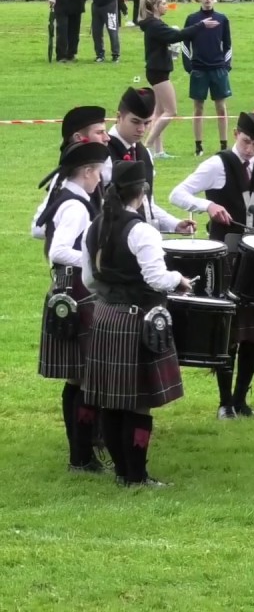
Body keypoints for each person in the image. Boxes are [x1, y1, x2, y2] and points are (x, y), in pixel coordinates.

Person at [169, 111, 254, 419]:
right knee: (228, 334)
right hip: (224, 259)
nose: (250, 150)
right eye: (245, 142)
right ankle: (224, 402)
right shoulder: (217, 164)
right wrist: (208, 205)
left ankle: (241, 400)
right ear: (236, 134)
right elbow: (177, 193)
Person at [81, 160, 192, 487]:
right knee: (139, 406)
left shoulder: (95, 226)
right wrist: (179, 279)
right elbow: (156, 278)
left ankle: (121, 473)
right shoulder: (142, 230)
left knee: (113, 403)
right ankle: (137, 476)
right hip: (136, 321)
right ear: (142, 193)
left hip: (104, 317)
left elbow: (88, 278)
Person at [35, 139, 110, 473]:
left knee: (80, 378)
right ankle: (80, 456)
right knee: (81, 377)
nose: (100, 179)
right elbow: (58, 250)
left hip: (73, 290)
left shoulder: (68, 196)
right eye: (98, 173)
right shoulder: (76, 206)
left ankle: (82, 454)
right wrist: (94, 261)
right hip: (76, 292)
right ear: (87, 171)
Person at [102, 87, 196, 236]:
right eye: (135, 122)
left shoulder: (144, 154)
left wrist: (174, 224)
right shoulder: (103, 154)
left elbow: (147, 204)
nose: (141, 129)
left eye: (146, 123)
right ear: (119, 117)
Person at [138, 0, 218, 158]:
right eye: (164, 4)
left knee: (159, 112)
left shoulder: (155, 24)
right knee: (171, 110)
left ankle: (158, 151)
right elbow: (177, 36)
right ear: (155, 7)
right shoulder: (154, 25)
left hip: (158, 69)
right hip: (158, 71)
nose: (166, 6)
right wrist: (201, 25)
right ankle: (147, 146)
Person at [32, 106, 112, 240]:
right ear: (79, 138)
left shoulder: (101, 168)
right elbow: (38, 228)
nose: (107, 138)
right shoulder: (68, 179)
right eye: (99, 133)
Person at [183, 0, 233, 157]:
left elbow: (228, 44)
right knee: (198, 107)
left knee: (221, 106)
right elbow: (185, 42)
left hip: (218, 68)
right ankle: (198, 145)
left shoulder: (222, 18)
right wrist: (188, 66)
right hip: (198, 69)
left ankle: (224, 144)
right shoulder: (192, 19)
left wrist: (226, 66)